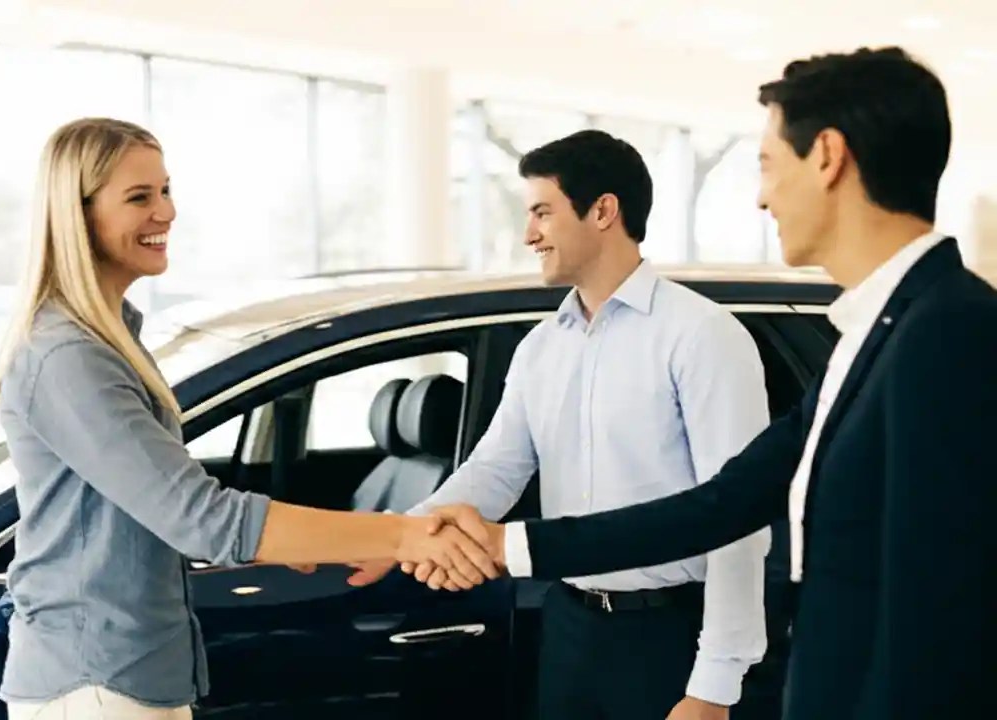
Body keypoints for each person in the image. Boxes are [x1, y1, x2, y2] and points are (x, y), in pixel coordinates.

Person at [422, 47, 997, 720]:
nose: (761, 195)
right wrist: (505, 544)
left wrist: (715, 682)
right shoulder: (876, 333)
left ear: (829, 156)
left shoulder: (951, 331)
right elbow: (721, 505)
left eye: (767, 164)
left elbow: (940, 611)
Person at [0, 117, 498, 720]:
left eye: (165, 190)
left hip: (124, 674)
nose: (166, 212)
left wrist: (298, 542)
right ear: (77, 214)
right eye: (139, 197)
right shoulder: (69, 356)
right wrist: (404, 534)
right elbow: (198, 517)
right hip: (96, 685)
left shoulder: (107, 339)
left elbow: (154, 509)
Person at [350, 130, 774, 720]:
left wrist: (714, 685)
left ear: (603, 210)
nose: (528, 234)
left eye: (542, 212)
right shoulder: (542, 347)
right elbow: (495, 471)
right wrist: (395, 539)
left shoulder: (702, 335)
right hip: (570, 626)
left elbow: (738, 519)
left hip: (671, 637)